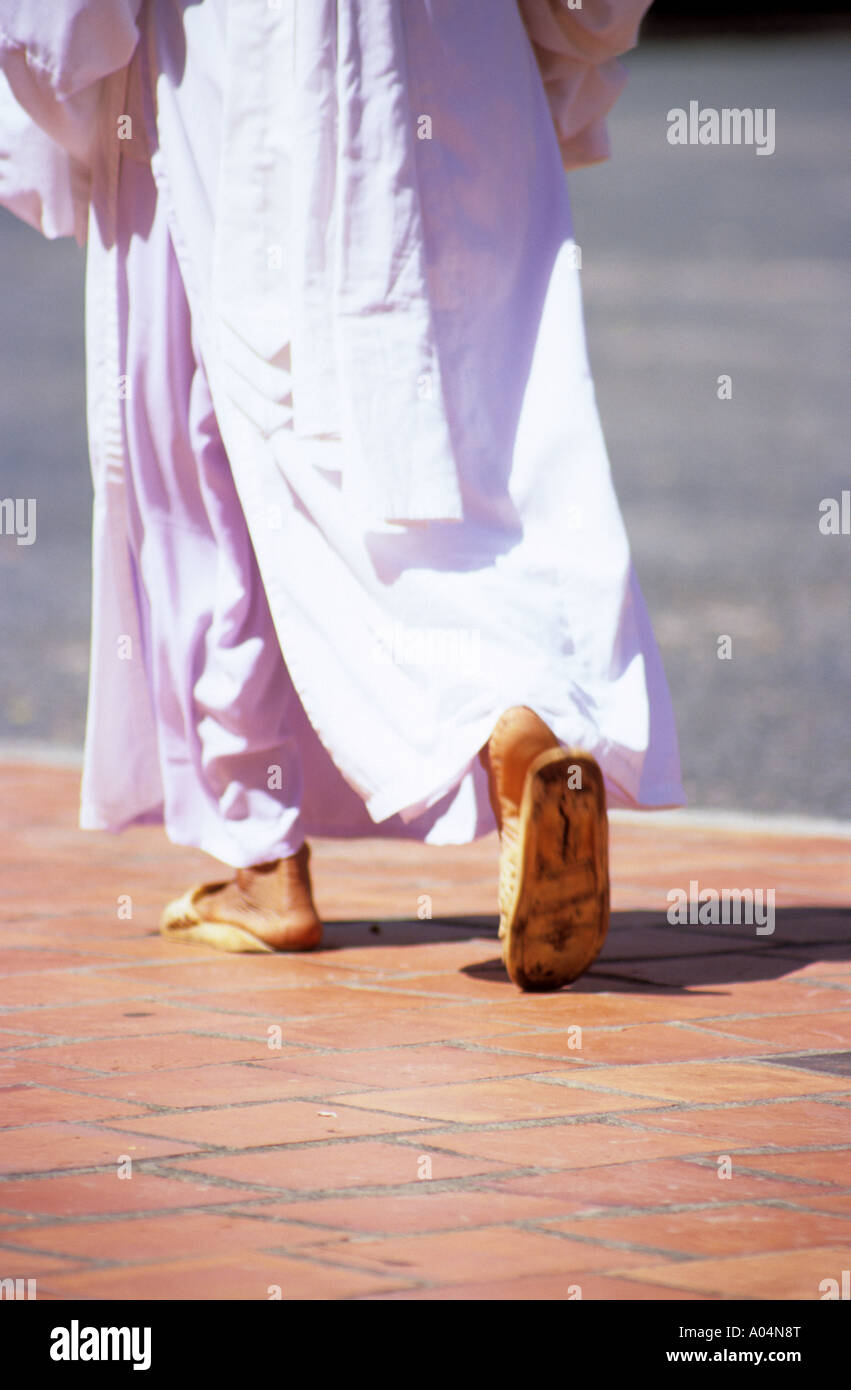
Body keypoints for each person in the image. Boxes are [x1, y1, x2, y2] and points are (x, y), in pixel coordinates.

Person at [0, 0, 683, 992]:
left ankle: (262, 860)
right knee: (480, 404)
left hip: (232, 54)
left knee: (216, 416)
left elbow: (64, 30)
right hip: (453, 40)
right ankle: (519, 726)